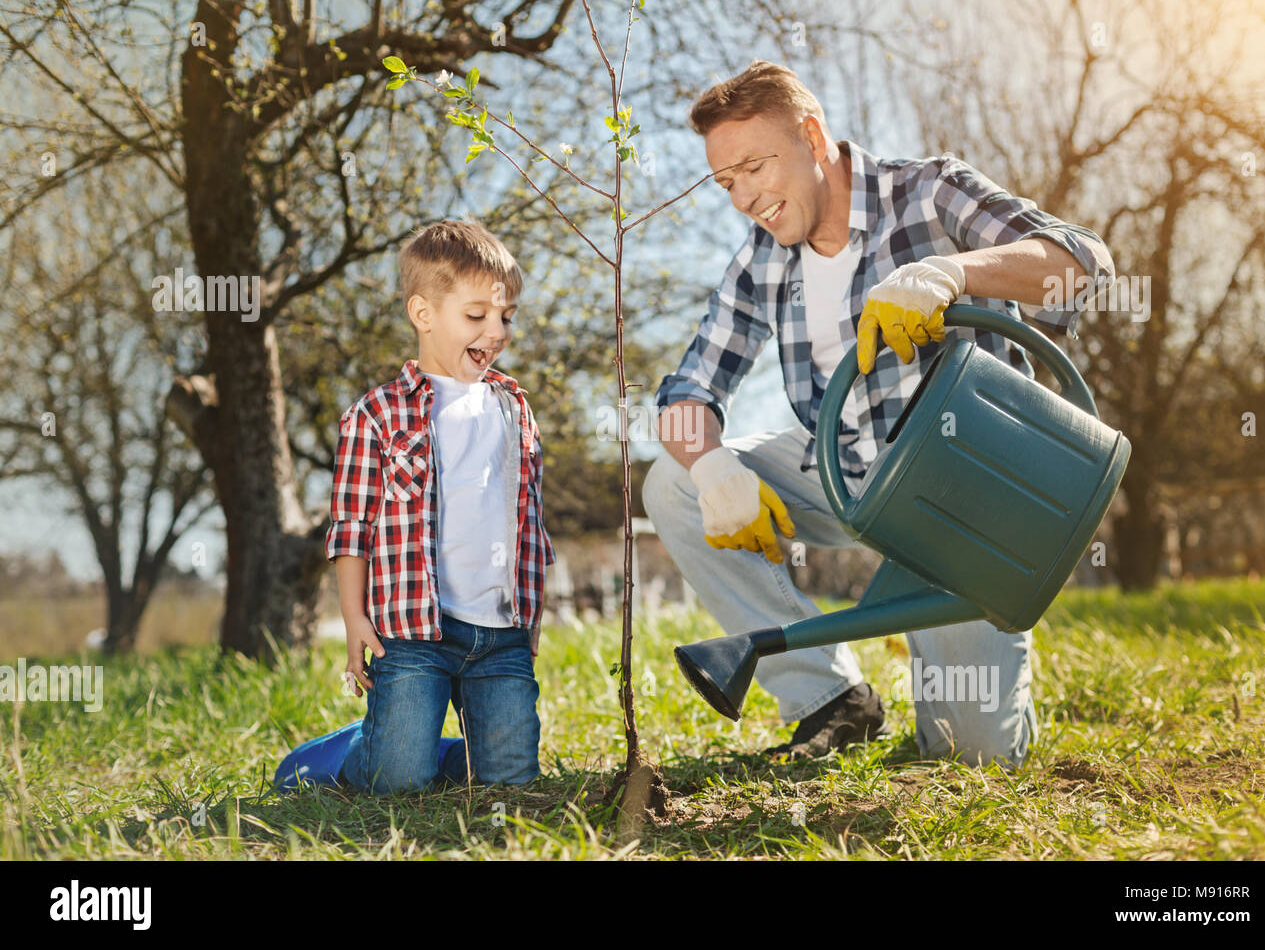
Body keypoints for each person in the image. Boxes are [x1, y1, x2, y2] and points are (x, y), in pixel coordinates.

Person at [644, 61, 1114, 768]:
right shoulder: (762, 260)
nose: (743, 196)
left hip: (961, 498)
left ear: (810, 135)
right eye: (725, 182)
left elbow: (1081, 264)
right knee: (670, 484)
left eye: (753, 167)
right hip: (843, 476)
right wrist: (711, 465)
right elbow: (685, 392)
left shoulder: (925, 193)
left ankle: (982, 700)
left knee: (971, 756)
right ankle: (830, 700)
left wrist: (952, 273)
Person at [280, 219, 556, 794]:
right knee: (398, 783)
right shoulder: (376, 414)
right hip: (412, 633)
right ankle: (350, 754)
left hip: (498, 634)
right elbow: (351, 527)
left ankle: (434, 744)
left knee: (512, 784)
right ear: (423, 314)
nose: (497, 331)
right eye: (476, 316)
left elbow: (531, 522)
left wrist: (531, 616)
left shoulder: (515, 410)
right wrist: (355, 618)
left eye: (506, 316)